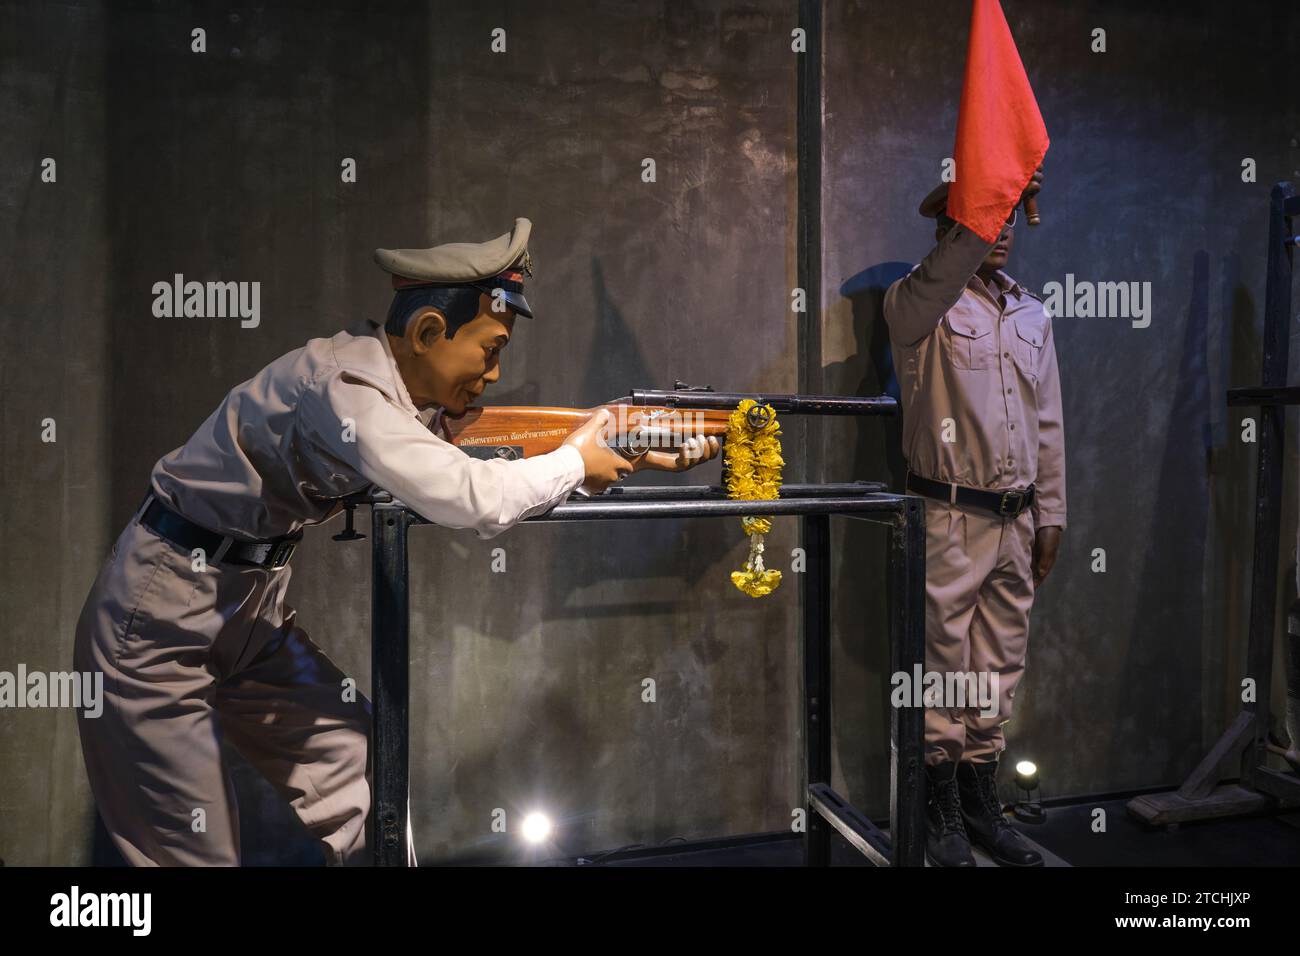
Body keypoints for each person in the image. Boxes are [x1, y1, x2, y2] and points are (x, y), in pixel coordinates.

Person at [73, 218, 720, 865]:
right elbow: (473, 497)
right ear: (429, 333)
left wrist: (624, 443)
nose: (493, 373)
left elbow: (468, 455)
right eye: (490, 349)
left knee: (364, 763)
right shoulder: (346, 393)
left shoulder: (384, 394)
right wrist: (579, 462)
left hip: (244, 613)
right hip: (158, 622)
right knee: (190, 851)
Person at [883, 171, 1065, 867]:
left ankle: (983, 804)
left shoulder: (1031, 315)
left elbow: (1048, 424)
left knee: (996, 670)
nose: (1008, 225)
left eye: (1014, 212)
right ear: (953, 224)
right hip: (949, 512)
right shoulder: (919, 301)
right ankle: (940, 814)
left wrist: (1051, 514)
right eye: (994, 212)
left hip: (1014, 520)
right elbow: (918, 302)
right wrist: (977, 216)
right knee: (943, 671)